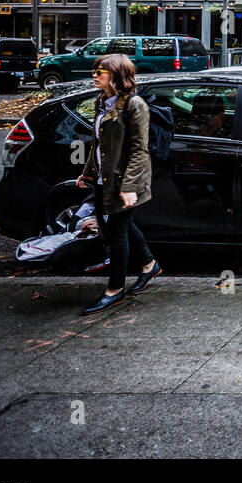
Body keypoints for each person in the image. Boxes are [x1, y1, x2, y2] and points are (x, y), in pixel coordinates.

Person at [75, 53, 161, 314]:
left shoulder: (134, 105)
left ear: (117, 76)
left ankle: (114, 290)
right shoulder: (102, 102)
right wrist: (88, 172)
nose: (94, 75)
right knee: (124, 225)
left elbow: (139, 150)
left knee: (117, 232)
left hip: (125, 182)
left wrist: (129, 187)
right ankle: (149, 265)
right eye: (94, 71)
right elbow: (98, 144)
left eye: (100, 72)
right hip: (106, 178)